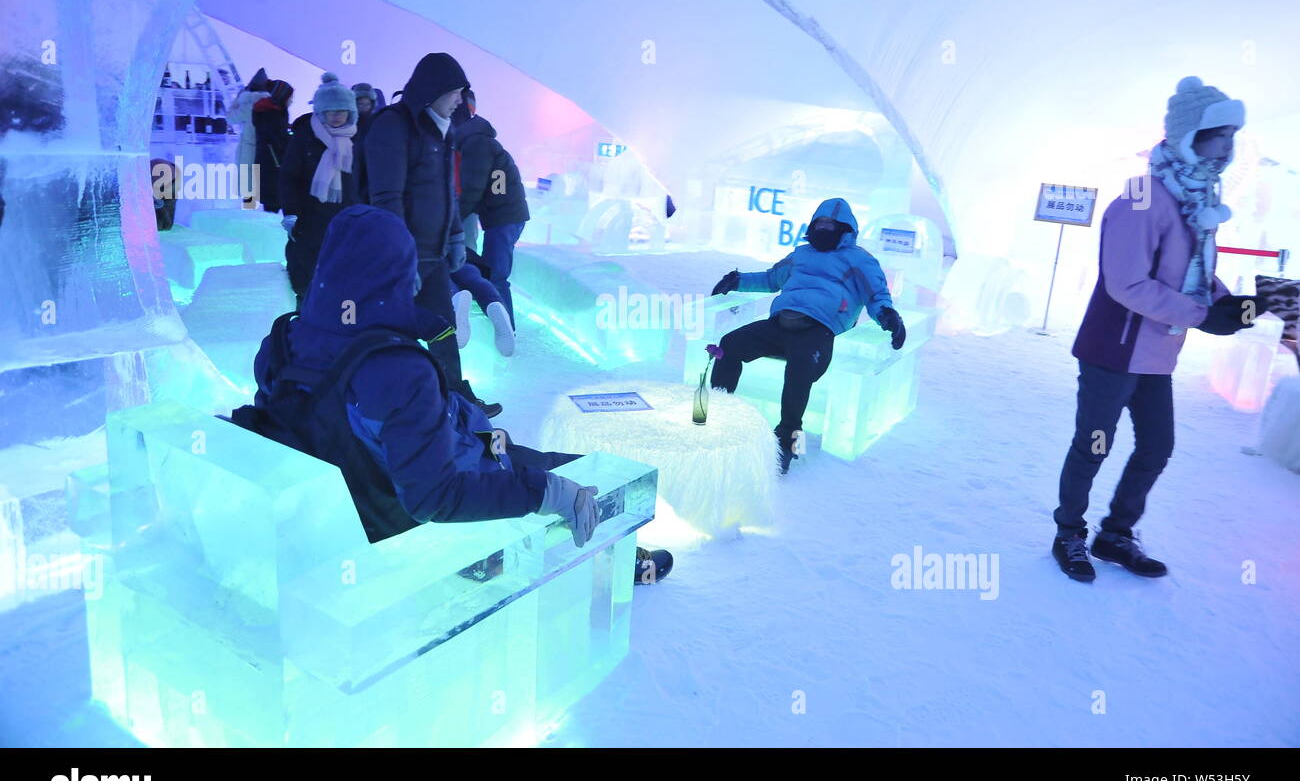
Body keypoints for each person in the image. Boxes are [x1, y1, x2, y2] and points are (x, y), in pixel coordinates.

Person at [231, 205, 671, 584]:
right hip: (416, 504)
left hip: (381, 479)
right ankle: (621, 559)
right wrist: (546, 493)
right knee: (581, 473)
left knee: (522, 453)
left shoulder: (283, 342)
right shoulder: (398, 369)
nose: (417, 283)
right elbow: (434, 497)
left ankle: (606, 545)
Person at [1052, 76, 1263, 583]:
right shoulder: (1143, 199)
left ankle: (1116, 534)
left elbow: (1192, 267)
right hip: (1114, 348)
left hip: (1154, 354)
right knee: (1095, 445)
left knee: (1156, 447)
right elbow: (1126, 283)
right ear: (1189, 135)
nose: (1228, 146)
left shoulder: (1193, 198)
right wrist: (1199, 315)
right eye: (1219, 134)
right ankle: (1069, 535)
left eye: (1233, 135)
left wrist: (1226, 303)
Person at [709, 197, 905, 473]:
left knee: (801, 367)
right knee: (730, 344)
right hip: (780, 323)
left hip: (819, 328)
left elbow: (876, 294)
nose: (824, 228)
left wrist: (887, 315)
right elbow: (771, 279)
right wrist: (737, 280)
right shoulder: (801, 254)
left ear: (845, 228)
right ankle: (718, 414)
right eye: (820, 223)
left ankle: (790, 441)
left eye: (831, 225)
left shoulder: (860, 259)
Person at [365, 53, 501, 418]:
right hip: (403, 260)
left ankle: (455, 401)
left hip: (434, 257)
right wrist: (399, 259)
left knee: (443, 332)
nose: (459, 99)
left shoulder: (441, 129)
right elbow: (386, 197)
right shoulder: (392, 126)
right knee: (397, 336)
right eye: (455, 92)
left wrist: (456, 237)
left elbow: (447, 192)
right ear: (433, 90)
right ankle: (398, 408)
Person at [278, 72, 361, 307]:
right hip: (310, 219)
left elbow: (365, 180)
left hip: (348, 218)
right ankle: (305, 320)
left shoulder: (357, 139)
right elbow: (289, 177)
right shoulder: (305, 136)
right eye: (331, 111)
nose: (337, 116)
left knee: (345, 274)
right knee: (308, 275)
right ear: (321, 112)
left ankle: (342, 320)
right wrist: (291, 213)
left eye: (342, 110)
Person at [450, 89, 529, 330]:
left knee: (497, 275)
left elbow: (473, 188)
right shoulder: (475, 140)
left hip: (504, 217)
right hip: (502, 216)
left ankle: (507, 331)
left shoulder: (476, 143)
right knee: (494, 273)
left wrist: (451, 221)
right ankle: (501, 327)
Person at [226, 68, 269, 207]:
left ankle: (250, 212)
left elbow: (231, 118)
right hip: (266, 148)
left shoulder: (249, 104)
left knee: (248, 183)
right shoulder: (272, 104)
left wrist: (238, 99)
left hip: (249, 149)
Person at [251, 79, 294, 214]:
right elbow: (279, 140)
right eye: (290, 98)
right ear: (282, 98)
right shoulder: (271, 114)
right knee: (274, 204)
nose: (292, 101)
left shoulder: (270, 111)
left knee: (273, 204)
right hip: (273, 165)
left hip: (269, 163)